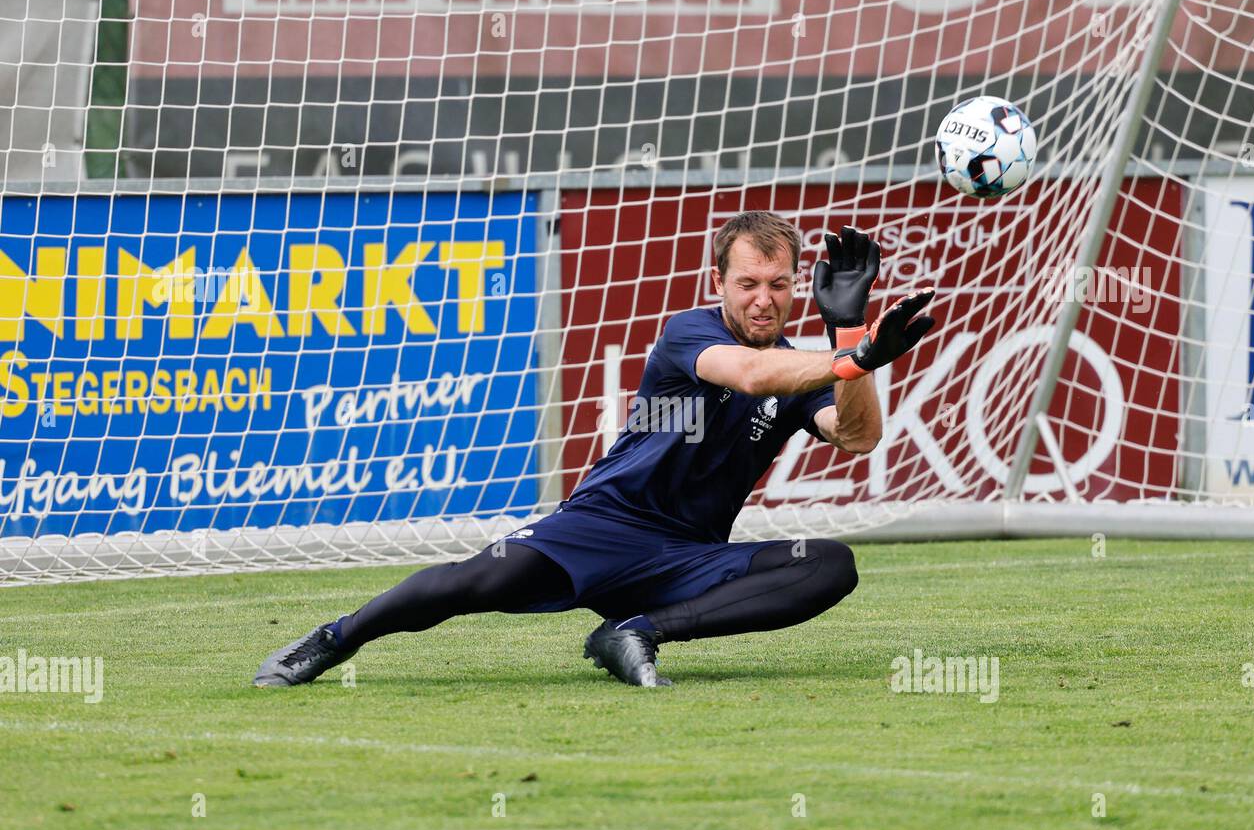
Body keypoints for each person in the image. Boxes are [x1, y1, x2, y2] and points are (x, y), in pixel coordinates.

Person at [253, 210, 936, 688]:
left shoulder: (809, 361)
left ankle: (634, 631)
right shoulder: (688, 333)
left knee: (830, 566)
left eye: (779, 285)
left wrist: (851, 332)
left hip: (686, 556)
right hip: (602, 525)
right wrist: (856, 351)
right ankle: (334, 639)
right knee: (472, 581)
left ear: (798, 287)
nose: (764, 300)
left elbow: (858, 435)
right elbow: (753, 374)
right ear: (719, 284)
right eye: (748, 284)